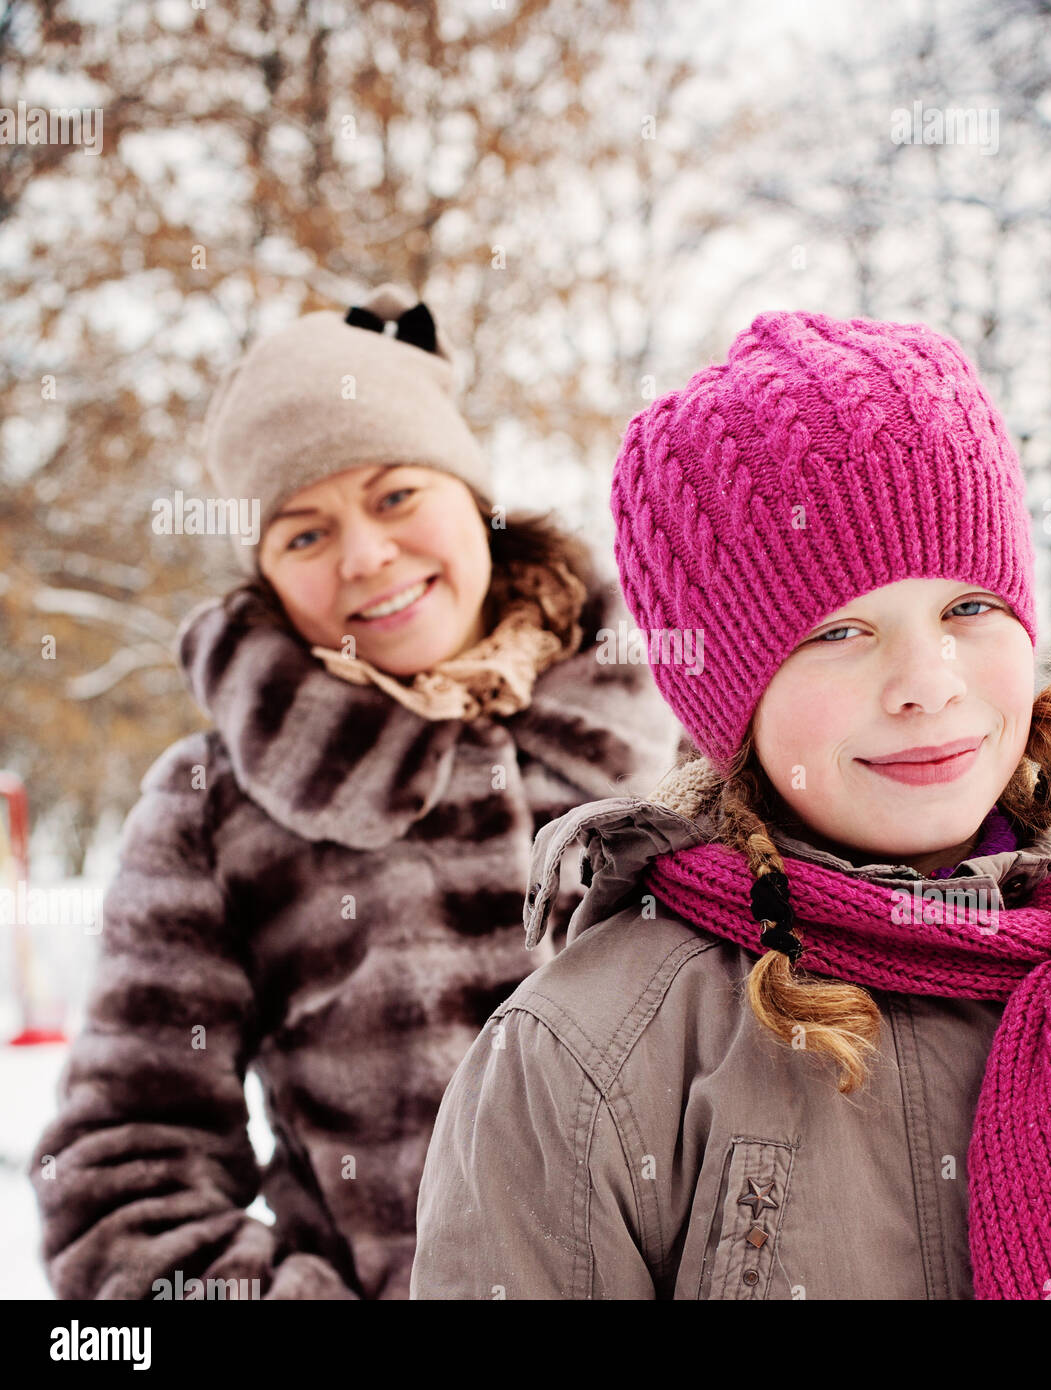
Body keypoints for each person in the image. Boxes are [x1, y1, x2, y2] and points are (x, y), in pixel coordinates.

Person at [410, 309, 1051, 1300]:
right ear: (730, 700)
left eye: (969, 607)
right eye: (838, 631)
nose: (928, 681)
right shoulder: (587, 1053)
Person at [28, 284, 682, 1300]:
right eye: (303, 533)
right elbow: (121, 1185)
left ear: (473, 497)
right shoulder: (215, 805)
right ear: (267, 577)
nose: (365, 557)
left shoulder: (680, 726)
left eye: (394, 495)